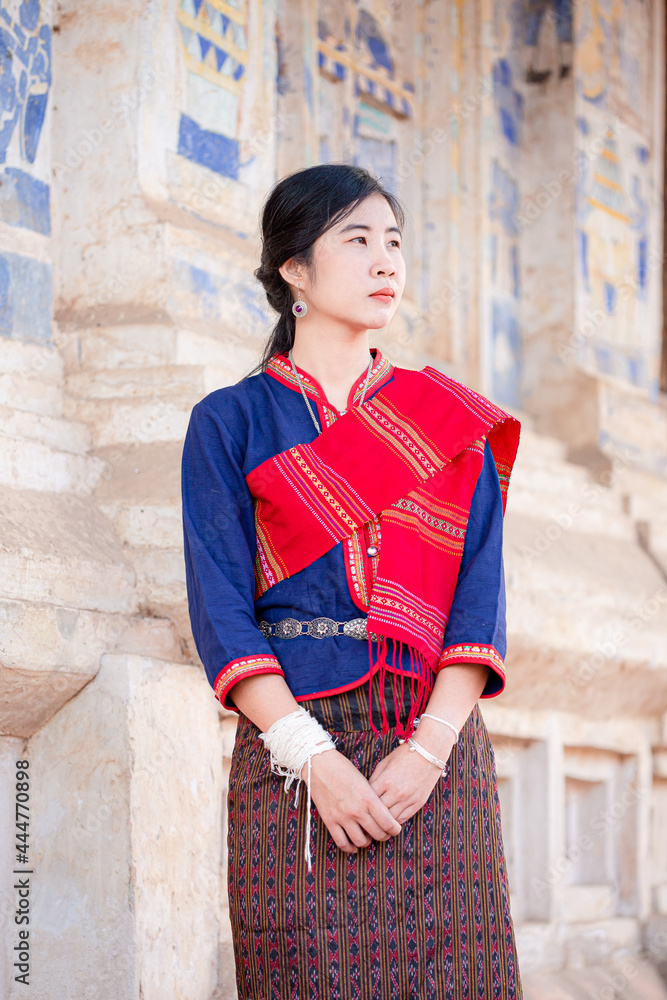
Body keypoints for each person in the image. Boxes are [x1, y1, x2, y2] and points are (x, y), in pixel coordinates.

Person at [181, 163, 523, 999]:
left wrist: (430, 750)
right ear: (293, 269)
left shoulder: (445, 419)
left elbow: (478, 597)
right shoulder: (230, 421)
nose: (385, 262)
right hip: (292, 757)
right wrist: (312, 759)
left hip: (435, 761)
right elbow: (220, 609)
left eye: (395, 243)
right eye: (357, 239)